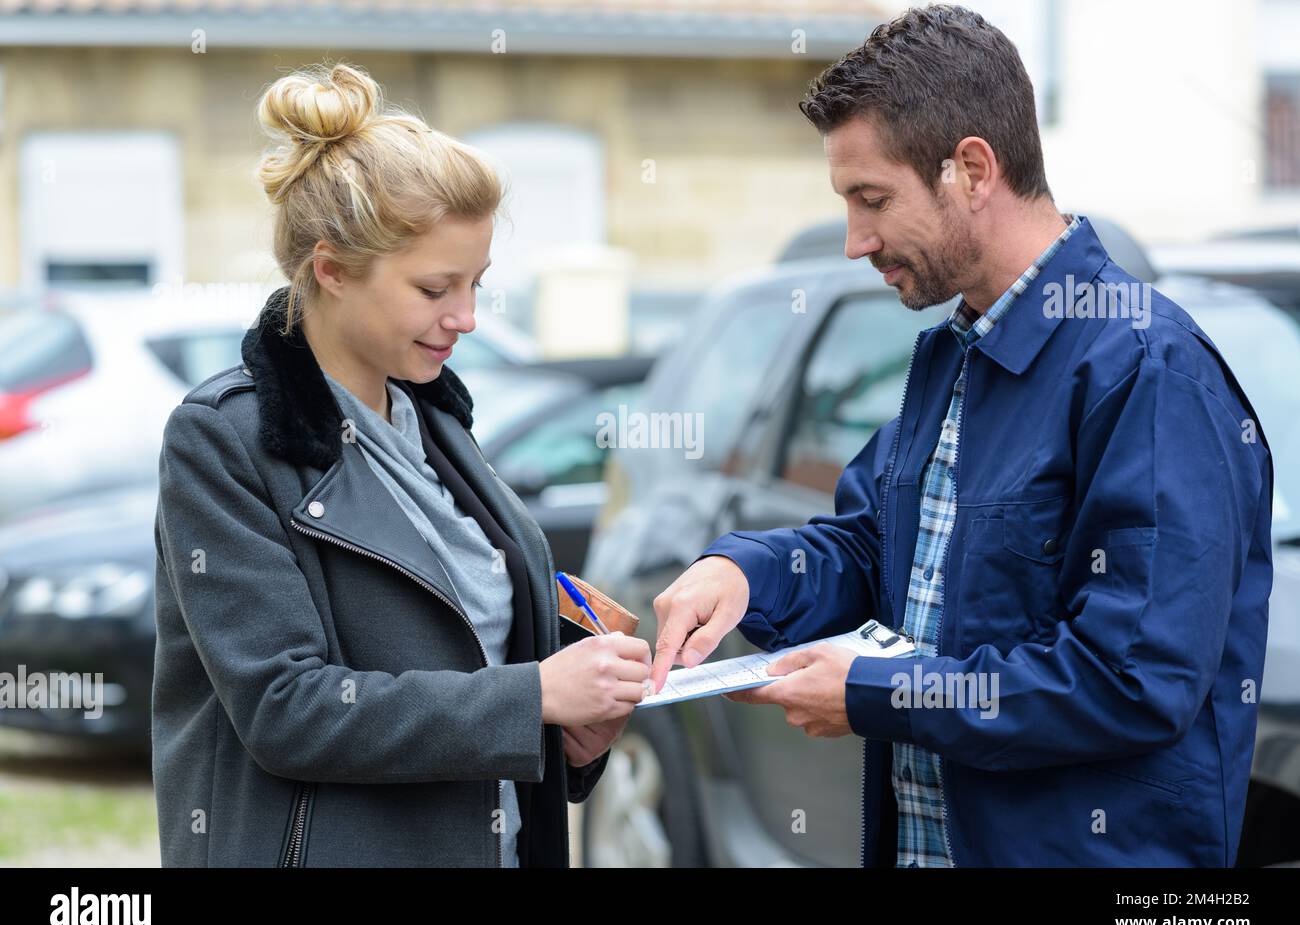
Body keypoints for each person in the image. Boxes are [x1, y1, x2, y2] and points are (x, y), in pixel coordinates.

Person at [651, 4, 1273, 867]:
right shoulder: (952, 354)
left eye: (873, 199)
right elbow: (880, 550)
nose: (854, 240)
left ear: (970, 169)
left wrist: (883, 693)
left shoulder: (1146, 370)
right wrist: (746, 573)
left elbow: (1131, 679)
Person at [151, 61, 651, 867]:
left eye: (478, 283)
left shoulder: (436, 415)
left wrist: (569, 729)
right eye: (435, 288)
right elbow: (287, 708)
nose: (468, 317)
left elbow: (475, 662)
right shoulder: (222, 439)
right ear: (332, 270)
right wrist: (534, 696)